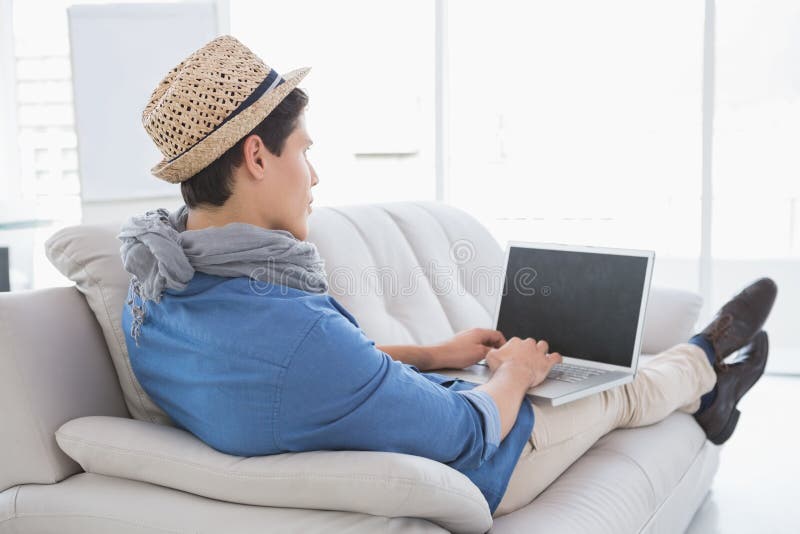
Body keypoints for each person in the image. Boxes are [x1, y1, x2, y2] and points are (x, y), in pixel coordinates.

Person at [118, 35, 778, 517]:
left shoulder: (154, 295)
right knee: (613, 390)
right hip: (486, 462)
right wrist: (515, 372)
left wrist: (433, 354)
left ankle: (709, 392)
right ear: (257, 157)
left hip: (404, 415)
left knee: (577, 371)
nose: (314, 176)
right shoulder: (292, 329)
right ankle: (706, 360)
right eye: (305, 152)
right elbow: (466, 431)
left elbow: (315, 375)